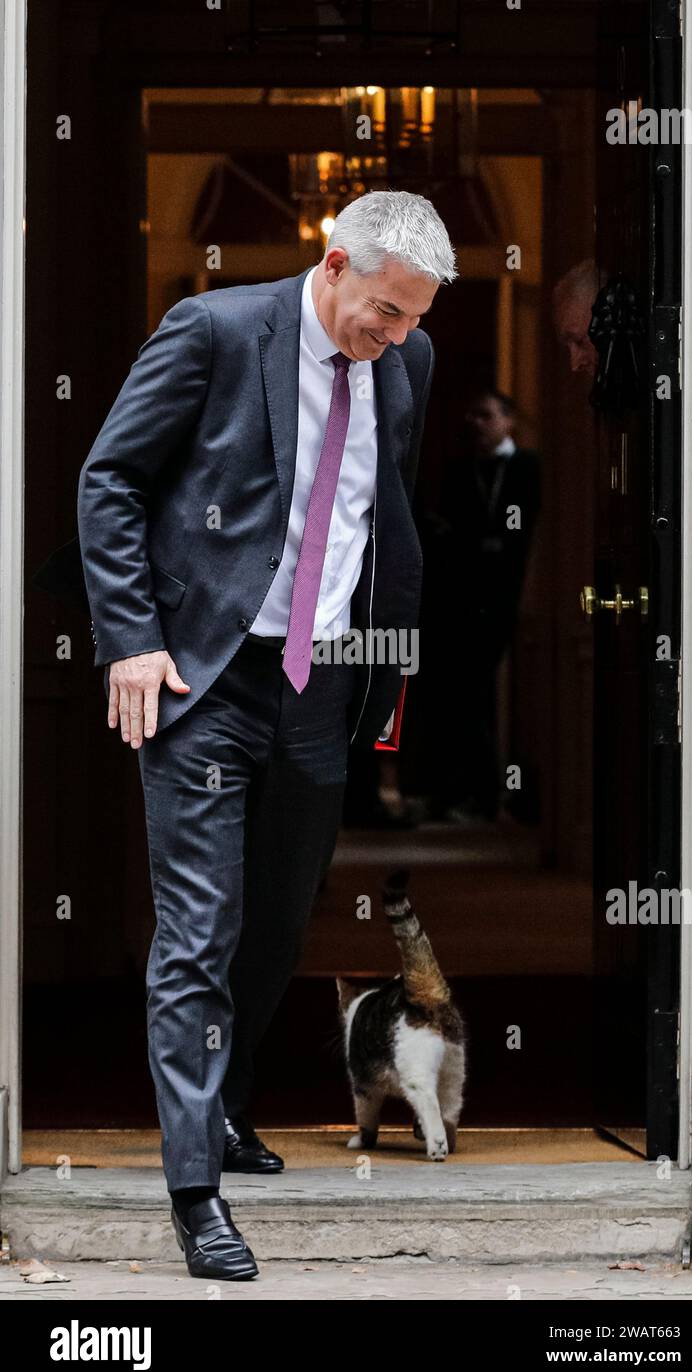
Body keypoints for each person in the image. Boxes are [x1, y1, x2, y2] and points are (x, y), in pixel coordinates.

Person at [76, 190, 456, 1280]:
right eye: (380, 311)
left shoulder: (407, 362)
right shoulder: (216, 331)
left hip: (320, 682)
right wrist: (131, 640)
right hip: (202, 672)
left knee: (277, 924)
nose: (391, 338)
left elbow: (376, 504)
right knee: (199, 928)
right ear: (331, 263)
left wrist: (383, 663)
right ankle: (194, 1188)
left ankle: (227, 1109)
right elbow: (110, 479)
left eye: (410, 322)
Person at [429, 389, 541, 820]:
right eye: (471, 416)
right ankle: (468, 793)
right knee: (463, 696)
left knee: (502, 696)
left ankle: (505, 794)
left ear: (509, 420)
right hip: (461, 601)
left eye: (486, 415)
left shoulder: (529, 467)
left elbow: (528, 530)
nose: (476, 423)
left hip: (511, 598)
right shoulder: (460, 471)